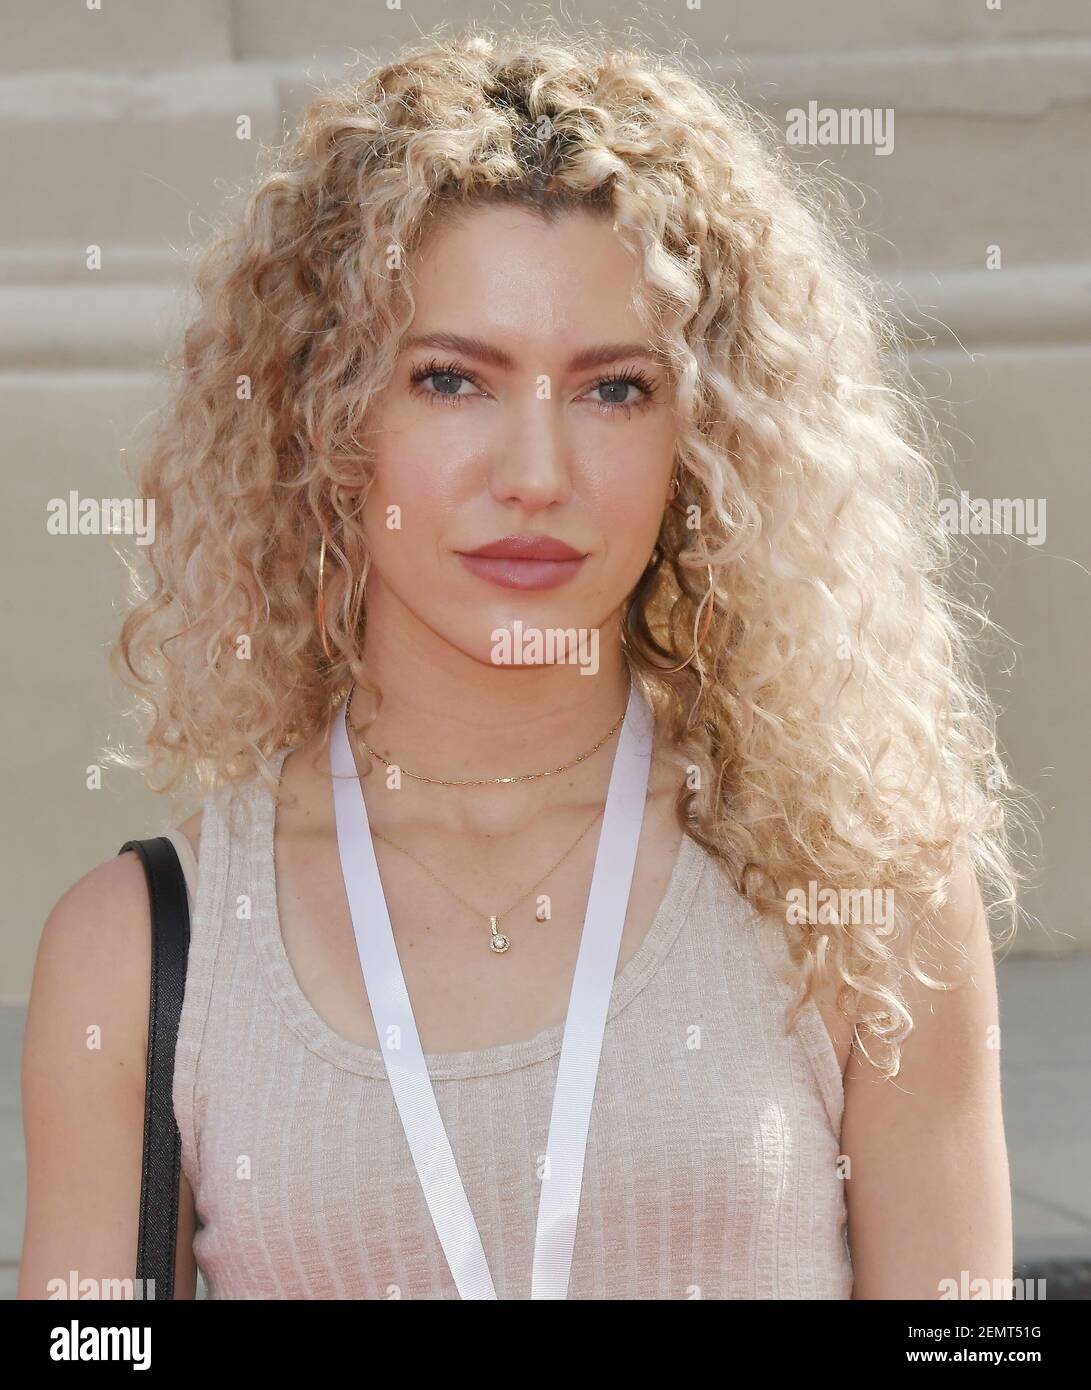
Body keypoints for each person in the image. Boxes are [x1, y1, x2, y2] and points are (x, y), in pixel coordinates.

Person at [20, 24, 1026, 1300]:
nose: (536, 476)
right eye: (452, 379)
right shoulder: (143, 953)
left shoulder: (861, 898)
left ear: (703, 440)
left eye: (613, 389)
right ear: (324, 419)